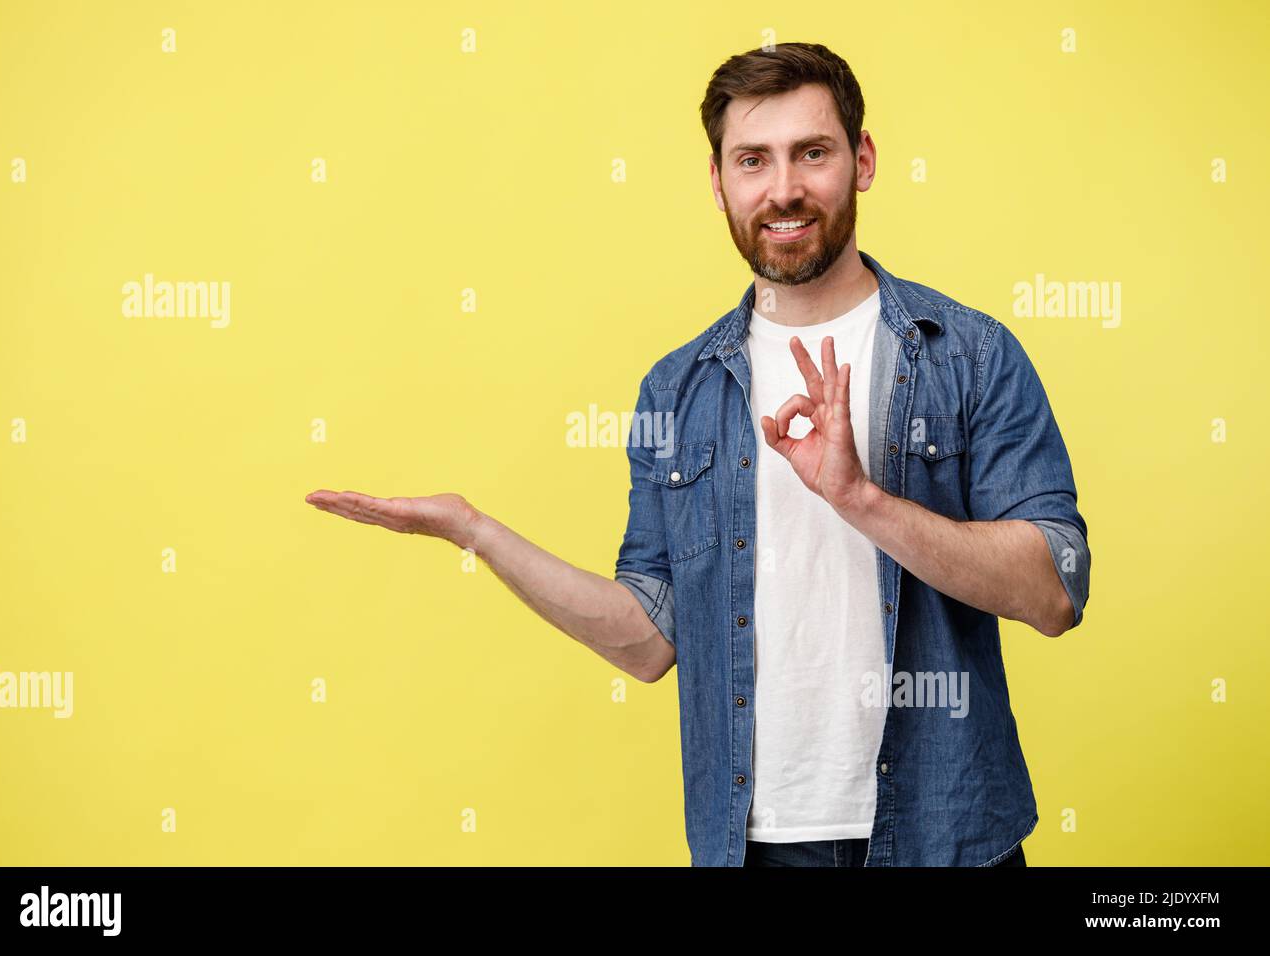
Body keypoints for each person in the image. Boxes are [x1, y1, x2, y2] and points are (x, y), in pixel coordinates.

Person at [305, 41, 1090, 867]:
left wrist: (862, 499)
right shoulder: (675, 393)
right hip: (750, 845)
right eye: (753, 159)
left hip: (948, 838)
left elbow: (1054, 593)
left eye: (811, 153)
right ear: (719, 181)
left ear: (861, 161)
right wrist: (476, 532)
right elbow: (649, 641)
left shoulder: (967, 354)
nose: (783, 188)